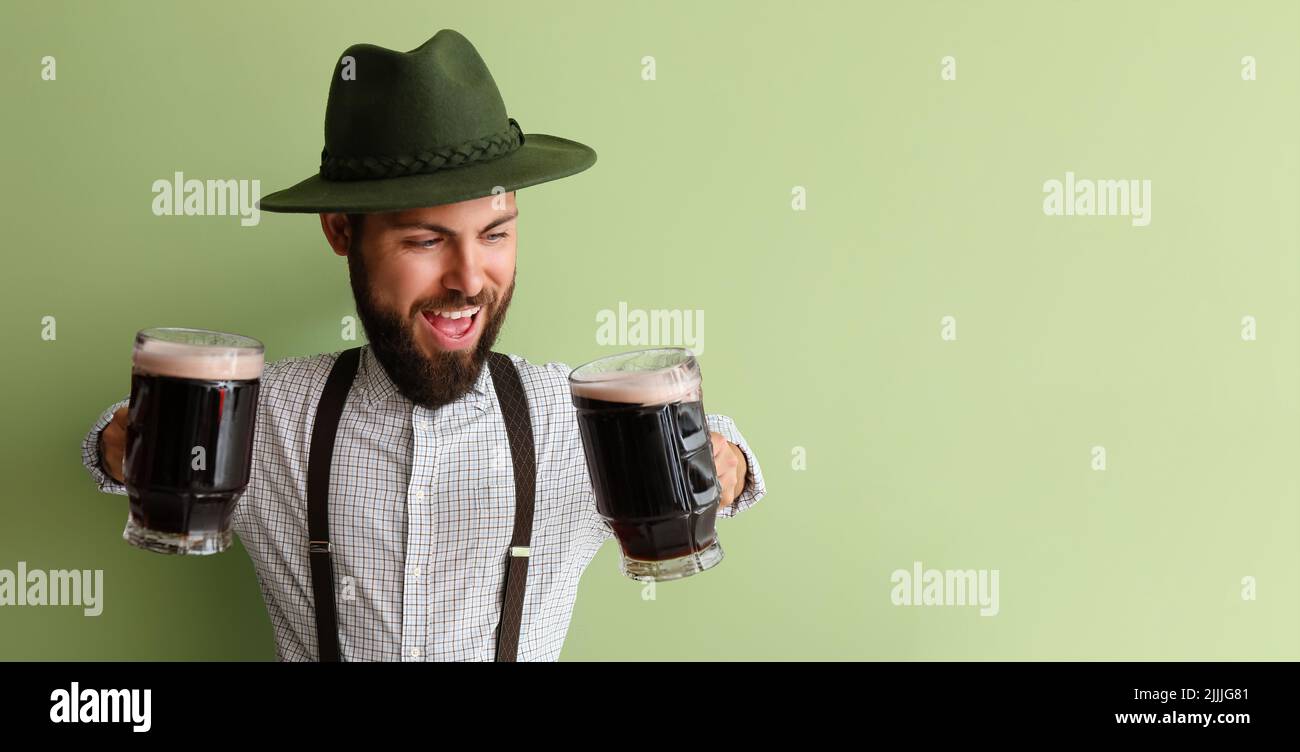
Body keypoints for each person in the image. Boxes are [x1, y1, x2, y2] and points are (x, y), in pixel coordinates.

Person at [81, 28, 767, 661]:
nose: (470, 279)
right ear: (341, 233)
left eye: (495, 233)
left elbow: (720, 456)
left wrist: (725, 469)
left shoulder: (572, 418)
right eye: (426, 239)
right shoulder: (272, 416)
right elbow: (124, 447)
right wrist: (123, 450)